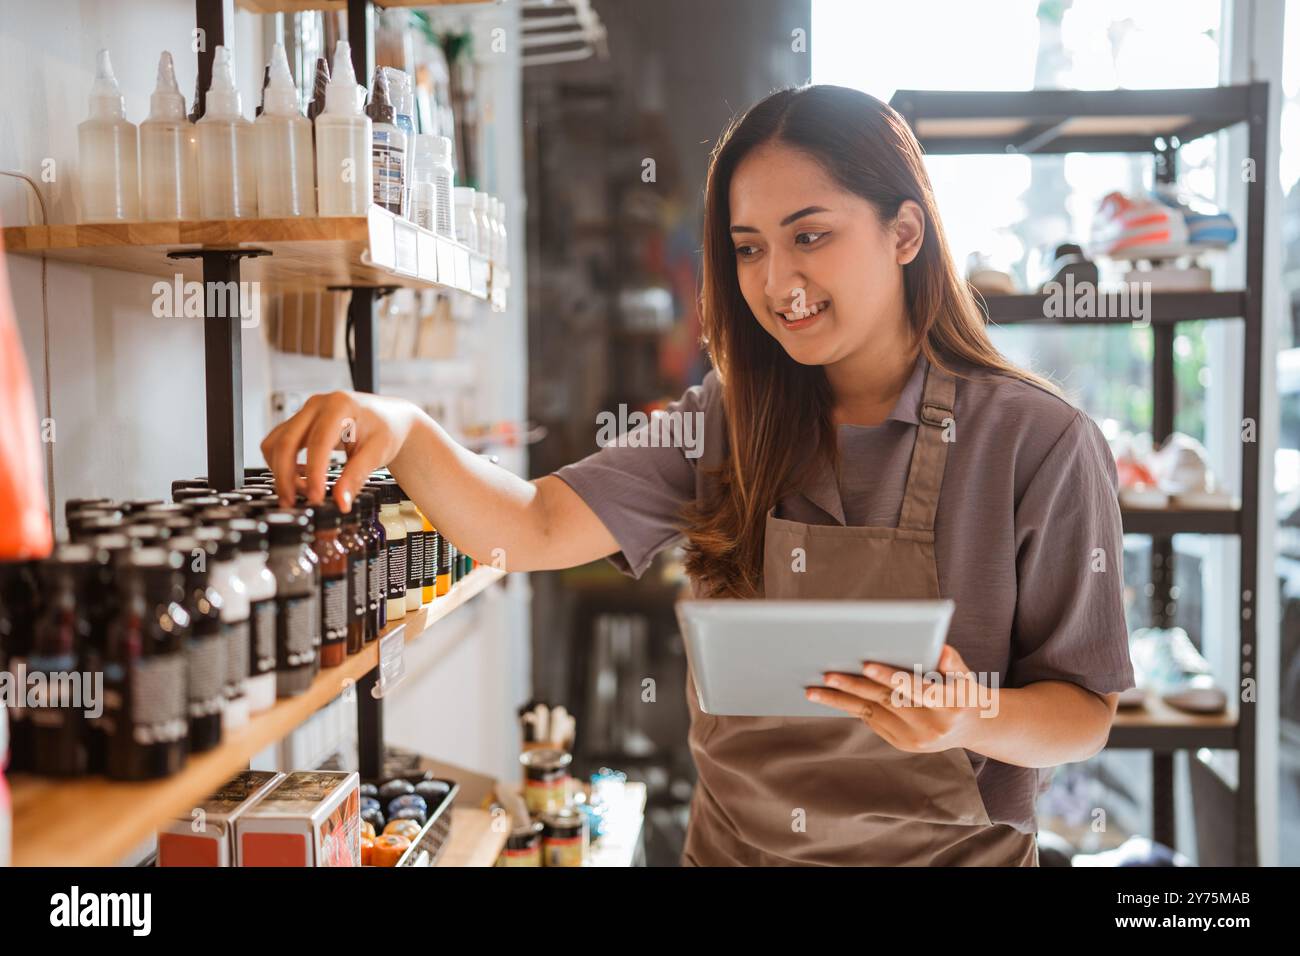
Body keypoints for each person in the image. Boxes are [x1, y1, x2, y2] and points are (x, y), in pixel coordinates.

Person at [260, 85, 1135, 866]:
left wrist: (969, 716)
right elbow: (527, 527)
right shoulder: (728, 416)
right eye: (749, 248)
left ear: (904, 231)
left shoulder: (1039, 441)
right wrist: (405, 427)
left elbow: (1083, 712)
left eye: (811, 236)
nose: (777, 280)